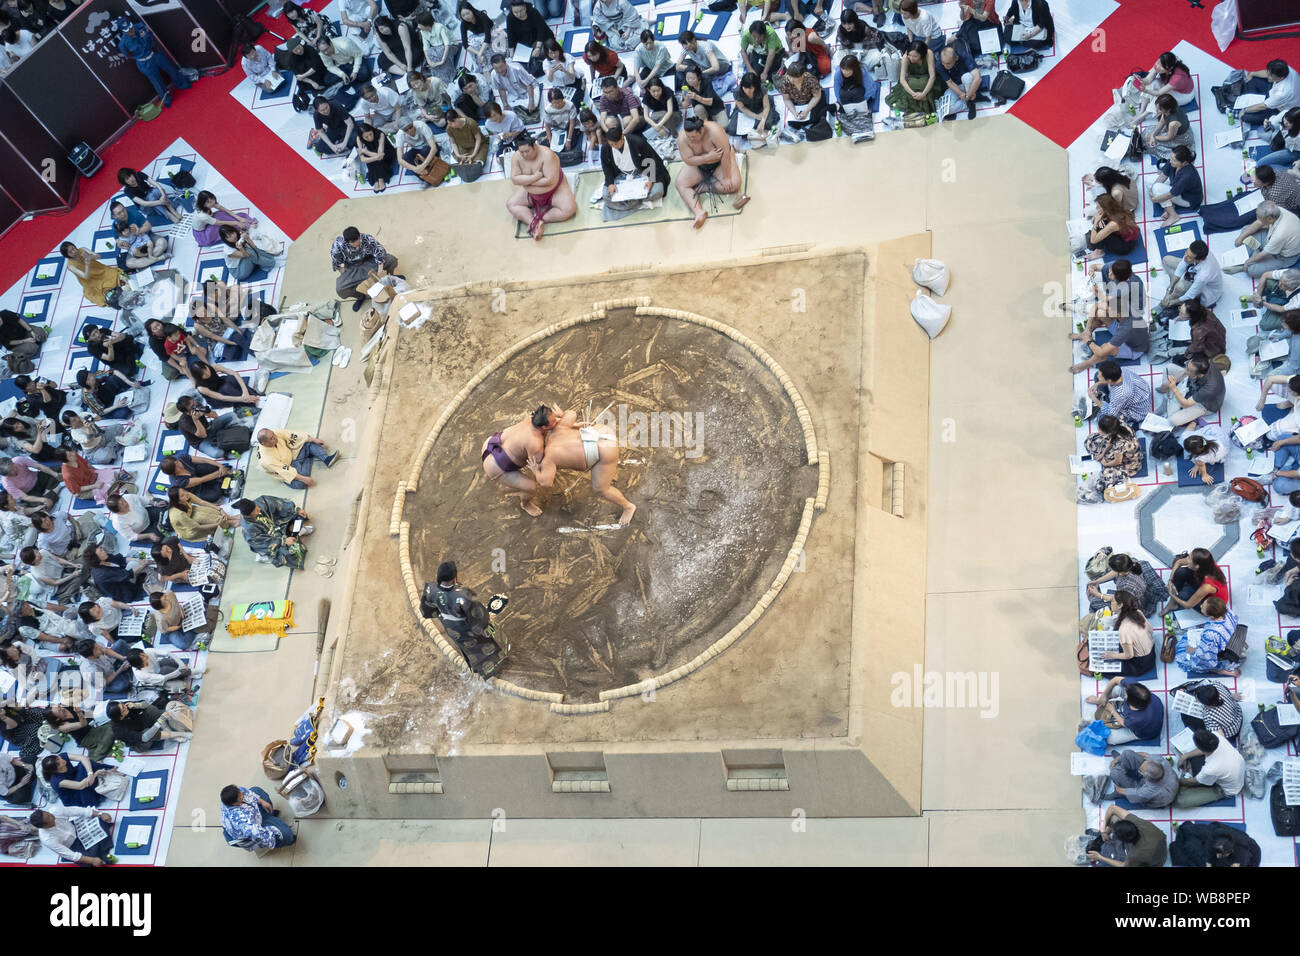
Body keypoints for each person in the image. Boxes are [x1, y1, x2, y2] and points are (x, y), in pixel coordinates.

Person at [531, 406, 636, 525]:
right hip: (603, 431)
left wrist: (535, 469)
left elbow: (546, 482)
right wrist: (570, 422)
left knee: (601, 489)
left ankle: (628, 507)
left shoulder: (548, 458)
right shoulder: (560, 426)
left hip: (606, 452)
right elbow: (571, 413)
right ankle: (608, 470)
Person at [1069, 260, 1147, 373]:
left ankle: (1087, 363)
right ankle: (1084, 334)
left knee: (1107, 349)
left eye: (1111, 273)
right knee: (1100, 313)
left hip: (1133, 348)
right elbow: (1097, 306)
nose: (1109, 273)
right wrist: (1087, 330)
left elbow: (1101, 352)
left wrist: (1089, 342)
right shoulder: (1121, 306)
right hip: (1122, 321)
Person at [677, 116, 750, 231]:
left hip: (719, 163)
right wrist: (707, 157)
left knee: (734, 184)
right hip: (698, 165)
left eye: (693, 136)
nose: (690, 139)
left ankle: (706, 187)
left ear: (701, 131)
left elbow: (724, 155)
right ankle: (699, 212)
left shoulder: (715, 131)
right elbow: (688, 159)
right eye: (688, 136)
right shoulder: (683, 137)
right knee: (680, 183)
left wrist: (726, 177)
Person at [505, 133, 576, 241]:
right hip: (530, 193)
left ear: (535, 146)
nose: (524, 154)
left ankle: (541, 218)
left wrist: (526, 181)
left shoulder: (547, 155)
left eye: (527, 151)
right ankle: (533, 221)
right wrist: (535, 177)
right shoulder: (517, 157)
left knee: (569, 209)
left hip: (555, 190)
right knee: (511, 204)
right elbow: (514, 179)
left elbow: (550, 180)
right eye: (521, 152)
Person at [599, 118, 670, 222]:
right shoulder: (606, 148)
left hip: (642, 173)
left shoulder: (637, 142)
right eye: (611, 144)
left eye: (616, 144)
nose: (613, 147)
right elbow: (607, 167)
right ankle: (636, 201)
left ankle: (628, 203)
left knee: (656, 191)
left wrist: (650, 179)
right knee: (606, 195)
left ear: (622, 137)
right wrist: (610, 183)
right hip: (622, 175)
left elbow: (651, 159)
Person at [117, 17, 190, 108]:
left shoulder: (141, 26)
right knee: (157, 82)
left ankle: (182, 84)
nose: (131, 30)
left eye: (130, 26)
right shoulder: (123, 44)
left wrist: (152, 45)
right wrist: (141, 57)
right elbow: (129, 56)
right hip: (144, 63)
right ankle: (166, 99)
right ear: (123, 31)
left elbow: (150, 36)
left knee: (171, 70)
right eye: (127, 29)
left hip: (155, 54)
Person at [331, 226, 400, 310]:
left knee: (391, 260)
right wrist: (346, 274)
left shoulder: (366, 238)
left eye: (358, 239)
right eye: (353, 242)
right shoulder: (338, 246)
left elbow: (379, 251)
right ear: (346, 241)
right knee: (340, 288)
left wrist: (380, 270)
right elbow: (336, 263)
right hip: (353, 267)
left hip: (368, 260)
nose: (357, 243)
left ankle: (392, 279)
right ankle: (360, 297)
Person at [1077, 415, 1143, 503]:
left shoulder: (1119, 443)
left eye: (1100, 428)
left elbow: (1117, 461)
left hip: (1130, 462)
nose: (1097, 429)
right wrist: (1102, 453)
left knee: (1105, 477)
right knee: (1090, 441)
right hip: (1123, 450)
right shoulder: (1119, 424)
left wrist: (1105, 464)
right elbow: (1110, 441)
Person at [1227, 202, 1300, 279]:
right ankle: (1256, 250)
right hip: (1271, 239)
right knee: (1246, 229)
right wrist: (1241, 237)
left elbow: (1266, 253)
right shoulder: (1277, 210)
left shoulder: (1280, 234)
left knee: (1251, 269)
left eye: (1260, 218)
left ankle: (1255, 251)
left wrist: (1248, 262)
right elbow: (1259, 223)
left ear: (1269, 219)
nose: (1258, 219)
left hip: (1282, 257)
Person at [236, 496, 312, 570]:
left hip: (277, 523)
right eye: (255, 511)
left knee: (298, 516)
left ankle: (296, 533)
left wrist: (296, 510)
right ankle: (265, 556)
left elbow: (279, 505)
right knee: (292, 553)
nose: (259, 509)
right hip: (272, 539)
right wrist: (284, 541)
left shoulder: (262, 502)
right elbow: (265, 543)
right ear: (248, 516)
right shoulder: (249, 530)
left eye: (257, 507)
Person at [1176, 729, 1245, 808]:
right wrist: (1185, 755)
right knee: (1190, 759)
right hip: (1234, 769)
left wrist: (1177, 781)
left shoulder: (1210, 769)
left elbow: (1194, 781)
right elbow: (1203, 750)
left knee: (1180, 801)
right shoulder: (1218, 735)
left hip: (1228, 789)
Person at [221, 784, 296, 852]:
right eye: (240, 795)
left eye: (239, 791)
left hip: (252, 815)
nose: (242, 793)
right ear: (235, 804)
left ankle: (269, 815)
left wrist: (262, 802)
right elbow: (260, 835)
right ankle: (284, 841)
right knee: (286, 834)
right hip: (253, 829)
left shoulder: (232, 794)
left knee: (256, 790)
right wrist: (277, 832)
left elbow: (247, 793)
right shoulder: (242, 821)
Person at [256, 429, 338, 490]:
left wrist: (313, 439)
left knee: (307, 442)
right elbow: (283, 471)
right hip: (287, 470)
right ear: (263, 443)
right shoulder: (266, 460)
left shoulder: (274, 433)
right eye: (271, 438)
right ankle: (308, 458)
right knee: (300, 484)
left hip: (294, 456)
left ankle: (326, 459)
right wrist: (303, 478)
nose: (275, 437)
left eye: (274, 435)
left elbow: (294, 436)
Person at [31, 807, 115, 866]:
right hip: (73, 845)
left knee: (99, 821)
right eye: (49, 819)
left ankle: (102, 853)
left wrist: (100, 814)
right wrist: (92, 860)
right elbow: (69, 854)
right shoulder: (47, 839)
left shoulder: (54, 811)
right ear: (43, 826)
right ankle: (102, 852)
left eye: (49, 814)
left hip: (77, 828)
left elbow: (76, 811)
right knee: (90, 860)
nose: (52, 816)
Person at [1087, 806, 1167, 867]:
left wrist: (1100, 857)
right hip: (1157, 841)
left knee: (1114, 858)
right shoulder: (1138, 823)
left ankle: (1103, 853)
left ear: (1123, 841)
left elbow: (1123, 865)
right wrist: (1103, 831)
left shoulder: (1135, 854)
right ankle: (1104, 837)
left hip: (1156, 862)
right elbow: (1112, 808)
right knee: (1114, 818)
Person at [1162, 356, 1225, 428]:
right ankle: (1168, 399)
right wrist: (1181, 376)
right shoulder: (1205, 363)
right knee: (1168, 368)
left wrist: (1174, 388)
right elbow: (1186, 372)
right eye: (1187, 366)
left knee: (1172, 420)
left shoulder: (1210, 388)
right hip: (1193, 386)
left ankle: (1194, 419)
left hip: (1205, 405)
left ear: (1196, 376)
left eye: (1188, 370)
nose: (1186, 370)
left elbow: (1185, 404)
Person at [1159, 240, 1222, 311]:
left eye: (1189, 257)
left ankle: (1171, 299)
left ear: (1199, 260)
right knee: (1166, 260)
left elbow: (1190, 295)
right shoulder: (1197, 252)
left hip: (1207, 290)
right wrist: (1170, 288)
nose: (1185, 257)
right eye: (1186, 252)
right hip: (1193, 269)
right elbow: (1182, 266)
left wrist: (1171, 302)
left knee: (1179, 288)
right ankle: (1173, 286)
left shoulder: (1203, 275)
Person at [1089, 359, 1151, 430]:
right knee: (1095, 376)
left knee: (1102, 420)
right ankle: (1107, 401)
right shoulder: (1121, 370)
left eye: (1100, 376)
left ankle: (1131, 424)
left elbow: (1110, 413)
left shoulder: (1121, 393)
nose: (1098, 376)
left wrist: (1094, 398)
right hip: (1136, 395)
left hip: (1137, 412)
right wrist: (1098, 383)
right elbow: (1101, 378)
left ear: (1109, 380)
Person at [108, 200, 169, 271]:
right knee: (129, 264)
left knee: (163, 243)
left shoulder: (134, 214)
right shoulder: (115, 226)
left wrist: (138, 231)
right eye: (119, 213)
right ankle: (158, 258)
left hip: (145, 237)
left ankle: (144, 263)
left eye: (123, 210)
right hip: (134, 246)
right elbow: (118, 241)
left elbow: (149, 226)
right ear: (114, 216)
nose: (123, 214)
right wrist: (122, 244)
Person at [1148, 145, 1202, 225]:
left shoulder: (1187, 175)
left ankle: (1173, 215)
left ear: (1184, 163)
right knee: (1152, 187)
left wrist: (1155, 199)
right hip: (1177, 190)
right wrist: (1152, 189)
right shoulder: (1173, 163)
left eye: (1174, 160)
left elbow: (1170, 194)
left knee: (1157, 189)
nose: (1170, 161)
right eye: (1171, 158)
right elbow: (1163, 176)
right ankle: (1170, 206)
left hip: (1188, 200)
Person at [1239, 59, 1300, 128]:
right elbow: (1267, 73)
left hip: (1280, 109)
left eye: (1271, 76)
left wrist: (1244, 110)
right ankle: (1256, 99)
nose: (1268, 77)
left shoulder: (1282, 93)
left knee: (1245, 117)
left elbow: (1262, 106)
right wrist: (1252, 73)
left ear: (1281, 77)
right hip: (1276, 93)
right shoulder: (1287, 68)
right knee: (1252, 80)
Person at [1106, 750, 1178, 809]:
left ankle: (1118, 794)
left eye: (1140, 770)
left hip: (1154, 799)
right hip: (1153, 780)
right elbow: (1144, 755)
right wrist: (1119, 758)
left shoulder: (1147, 792)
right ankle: (1121, 765)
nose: (1143, 762)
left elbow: (1120, 790)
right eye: (1146, 762)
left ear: (1145, 777)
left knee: (1115, 774)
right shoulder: (1161, 761)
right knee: (1127, 753)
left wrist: (1116, 780)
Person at [59, 243, 122, 308]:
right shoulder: (71, 266)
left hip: (100, 270)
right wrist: (87, 264)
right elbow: (86, 276)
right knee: (102, 294)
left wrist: (90, 257)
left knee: (116, 274)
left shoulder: (82, 249)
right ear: (67, 255)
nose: (74, 251)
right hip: (90, 280)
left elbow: (98, 256)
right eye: (70, 252)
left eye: (73, 248)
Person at [1175, 678, 1243, 738]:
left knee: (1186, 716)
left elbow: (1220, 739)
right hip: (1238, 715)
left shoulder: (1210, 717)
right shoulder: (1216, 685)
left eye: (1197, 699)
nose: (1196, 699)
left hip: (1231, 731)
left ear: (1206, 705)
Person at [885, 41, 937, 116]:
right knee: (911, 86)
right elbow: (902, 79)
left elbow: (932, 76)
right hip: (912, 78)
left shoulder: (929, 53)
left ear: (922, 55)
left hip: (927, 77)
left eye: (915, 56)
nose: (911, 58)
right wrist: (914, 94)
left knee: (925, 86)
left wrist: (923, 94)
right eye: (909, 55)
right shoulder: (905, 58)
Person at [167, 486, 238, 541]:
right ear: (178, 501)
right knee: (204, 518)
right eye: (182, 495)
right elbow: (197, 528)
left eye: (184, 491)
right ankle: (230, 522)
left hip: (191, 511)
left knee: (212, 511)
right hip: (188, 529)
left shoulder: (186, 494)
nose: (186, 494)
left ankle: (230, 518)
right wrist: (218, 524)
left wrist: (220, 509)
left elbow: (201, 502)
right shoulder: (178, 514)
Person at [84, 545, 150, 603]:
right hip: (124, 590)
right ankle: (152, 572)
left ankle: (147, 566)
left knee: (133, 553)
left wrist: (138, 560)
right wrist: (142, 565)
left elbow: (121, 559)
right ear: (96, 559)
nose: (103, 551)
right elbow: (127, 574)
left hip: (121, 574)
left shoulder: (104, 558)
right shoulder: (103, 573)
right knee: (134, 564)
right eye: (100, 552)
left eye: (101, 549)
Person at [160, 451, 232, 504]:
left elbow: (203, 460)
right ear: (173, 472)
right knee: (214, 495)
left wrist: (220, 466)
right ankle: (220, 481)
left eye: (177, 463)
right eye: (177, 468)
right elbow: (202, 480)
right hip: (197, 489)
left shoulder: (180, 458)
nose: (180, 466)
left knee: (211, 466)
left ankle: (220, 481)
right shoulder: (178, 481)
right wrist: (219, 473)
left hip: (197, 471)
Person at [674, 31, 733, 97]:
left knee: (699, 79)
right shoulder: (686, 48)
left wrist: (700, 73)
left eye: (686, 44)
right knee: (683, 67)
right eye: (683, 45)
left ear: (693, 40)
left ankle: (690, 90)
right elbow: (677, 66)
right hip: (704, 65)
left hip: (721, 66)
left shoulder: (705, 47)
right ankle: (686, 88)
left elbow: (716, 67)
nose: (685, 47)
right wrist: (692, 70)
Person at [934, 41, 981, 121]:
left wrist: (968, 94)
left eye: (948, 63)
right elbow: (949, 82)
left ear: (956, 58)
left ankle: (971, 102)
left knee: (966, 77)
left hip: (967, 83)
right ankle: (967, 102)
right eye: (943, 63)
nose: (945, 66)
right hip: (955, 86)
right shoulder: (939, 64)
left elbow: (978, 78)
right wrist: (961, 94)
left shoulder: (964, 55)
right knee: (947, 109)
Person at [1084, 195, 1141, 260]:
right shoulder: (1115, 209)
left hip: (1125, 247)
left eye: (1099, 207)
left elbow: (1093, 240)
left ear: (1106, 208)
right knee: (1101, 224)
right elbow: (1094, 218)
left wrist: (1096, 223)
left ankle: (1098, 253)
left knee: (1099, 228)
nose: (1096, 209)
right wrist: (1097, 219)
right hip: (1128, 237)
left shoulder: (1113, 224)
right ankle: (1098, 247)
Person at [1141, 93, 1193, 162]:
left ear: (1167, 109)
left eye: (1159, 109)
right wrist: (1153, 135)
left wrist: (1154, 138)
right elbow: (1162, 122)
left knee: (1152, 144)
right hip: (1172, 129)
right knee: (1147, 132)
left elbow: (1169, 137)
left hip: (1182, 137)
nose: (1156, 111)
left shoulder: (1173, 123)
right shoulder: (1171, 107)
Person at [732, 72, 782, 144]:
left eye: (750, 88)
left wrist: (763, 120)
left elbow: (766, 106)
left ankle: (757, 128)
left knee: (769, 123)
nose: (747, 91)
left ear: (756, 86)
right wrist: (755, 116)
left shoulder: (761, 88)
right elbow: (742, 107)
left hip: (760, 106)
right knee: (733, 129)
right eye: (745, 88)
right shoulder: (737, 91)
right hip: (746, 108)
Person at [488, 53, 540, 119]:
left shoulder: (516, 68)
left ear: (505, 63)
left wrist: (531, 101)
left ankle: (521, 106)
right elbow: (501, 89)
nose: (499, 70)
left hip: (529, 89)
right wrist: (505, 104)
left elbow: (529, 85)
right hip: (513, 94)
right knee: (500, 109)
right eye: (496, 68)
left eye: (501, 67)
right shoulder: (493, 74)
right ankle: (518, 107)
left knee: (533, 104)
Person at [740, 19, 783, 88]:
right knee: (754, 75)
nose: (756, 40)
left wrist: (765, 72)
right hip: (758, 52)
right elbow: (743, 51)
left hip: (775, 52)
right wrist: (750, 69)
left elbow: (771, 54)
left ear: (764, 34)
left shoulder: (771, 33)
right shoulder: (746, 35)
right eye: (754, 37)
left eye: (758, 37)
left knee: (772, 76)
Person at [355, 122, 397, 193]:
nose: (370, 138)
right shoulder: (359, 138)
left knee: (376, 160)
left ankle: (380, 178)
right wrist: (374, 157)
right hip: (375, 154)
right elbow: (362, 159)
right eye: (366, 137)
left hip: (387, 152)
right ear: (362, 137)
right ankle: (376, 180)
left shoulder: (380, 134)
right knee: (374, 160)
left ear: (372, 130)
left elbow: (381, 154)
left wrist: (365, 152)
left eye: (370, 134)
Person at [1257, 107, 1300, 172]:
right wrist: (1266, 122)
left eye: (1290, 122)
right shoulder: (1284, 114)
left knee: (1260, 164)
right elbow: (1272, 122)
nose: (1285, 122)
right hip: (1284, 137)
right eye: (1286, 118)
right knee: (1260, 132)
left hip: (1295, 151)